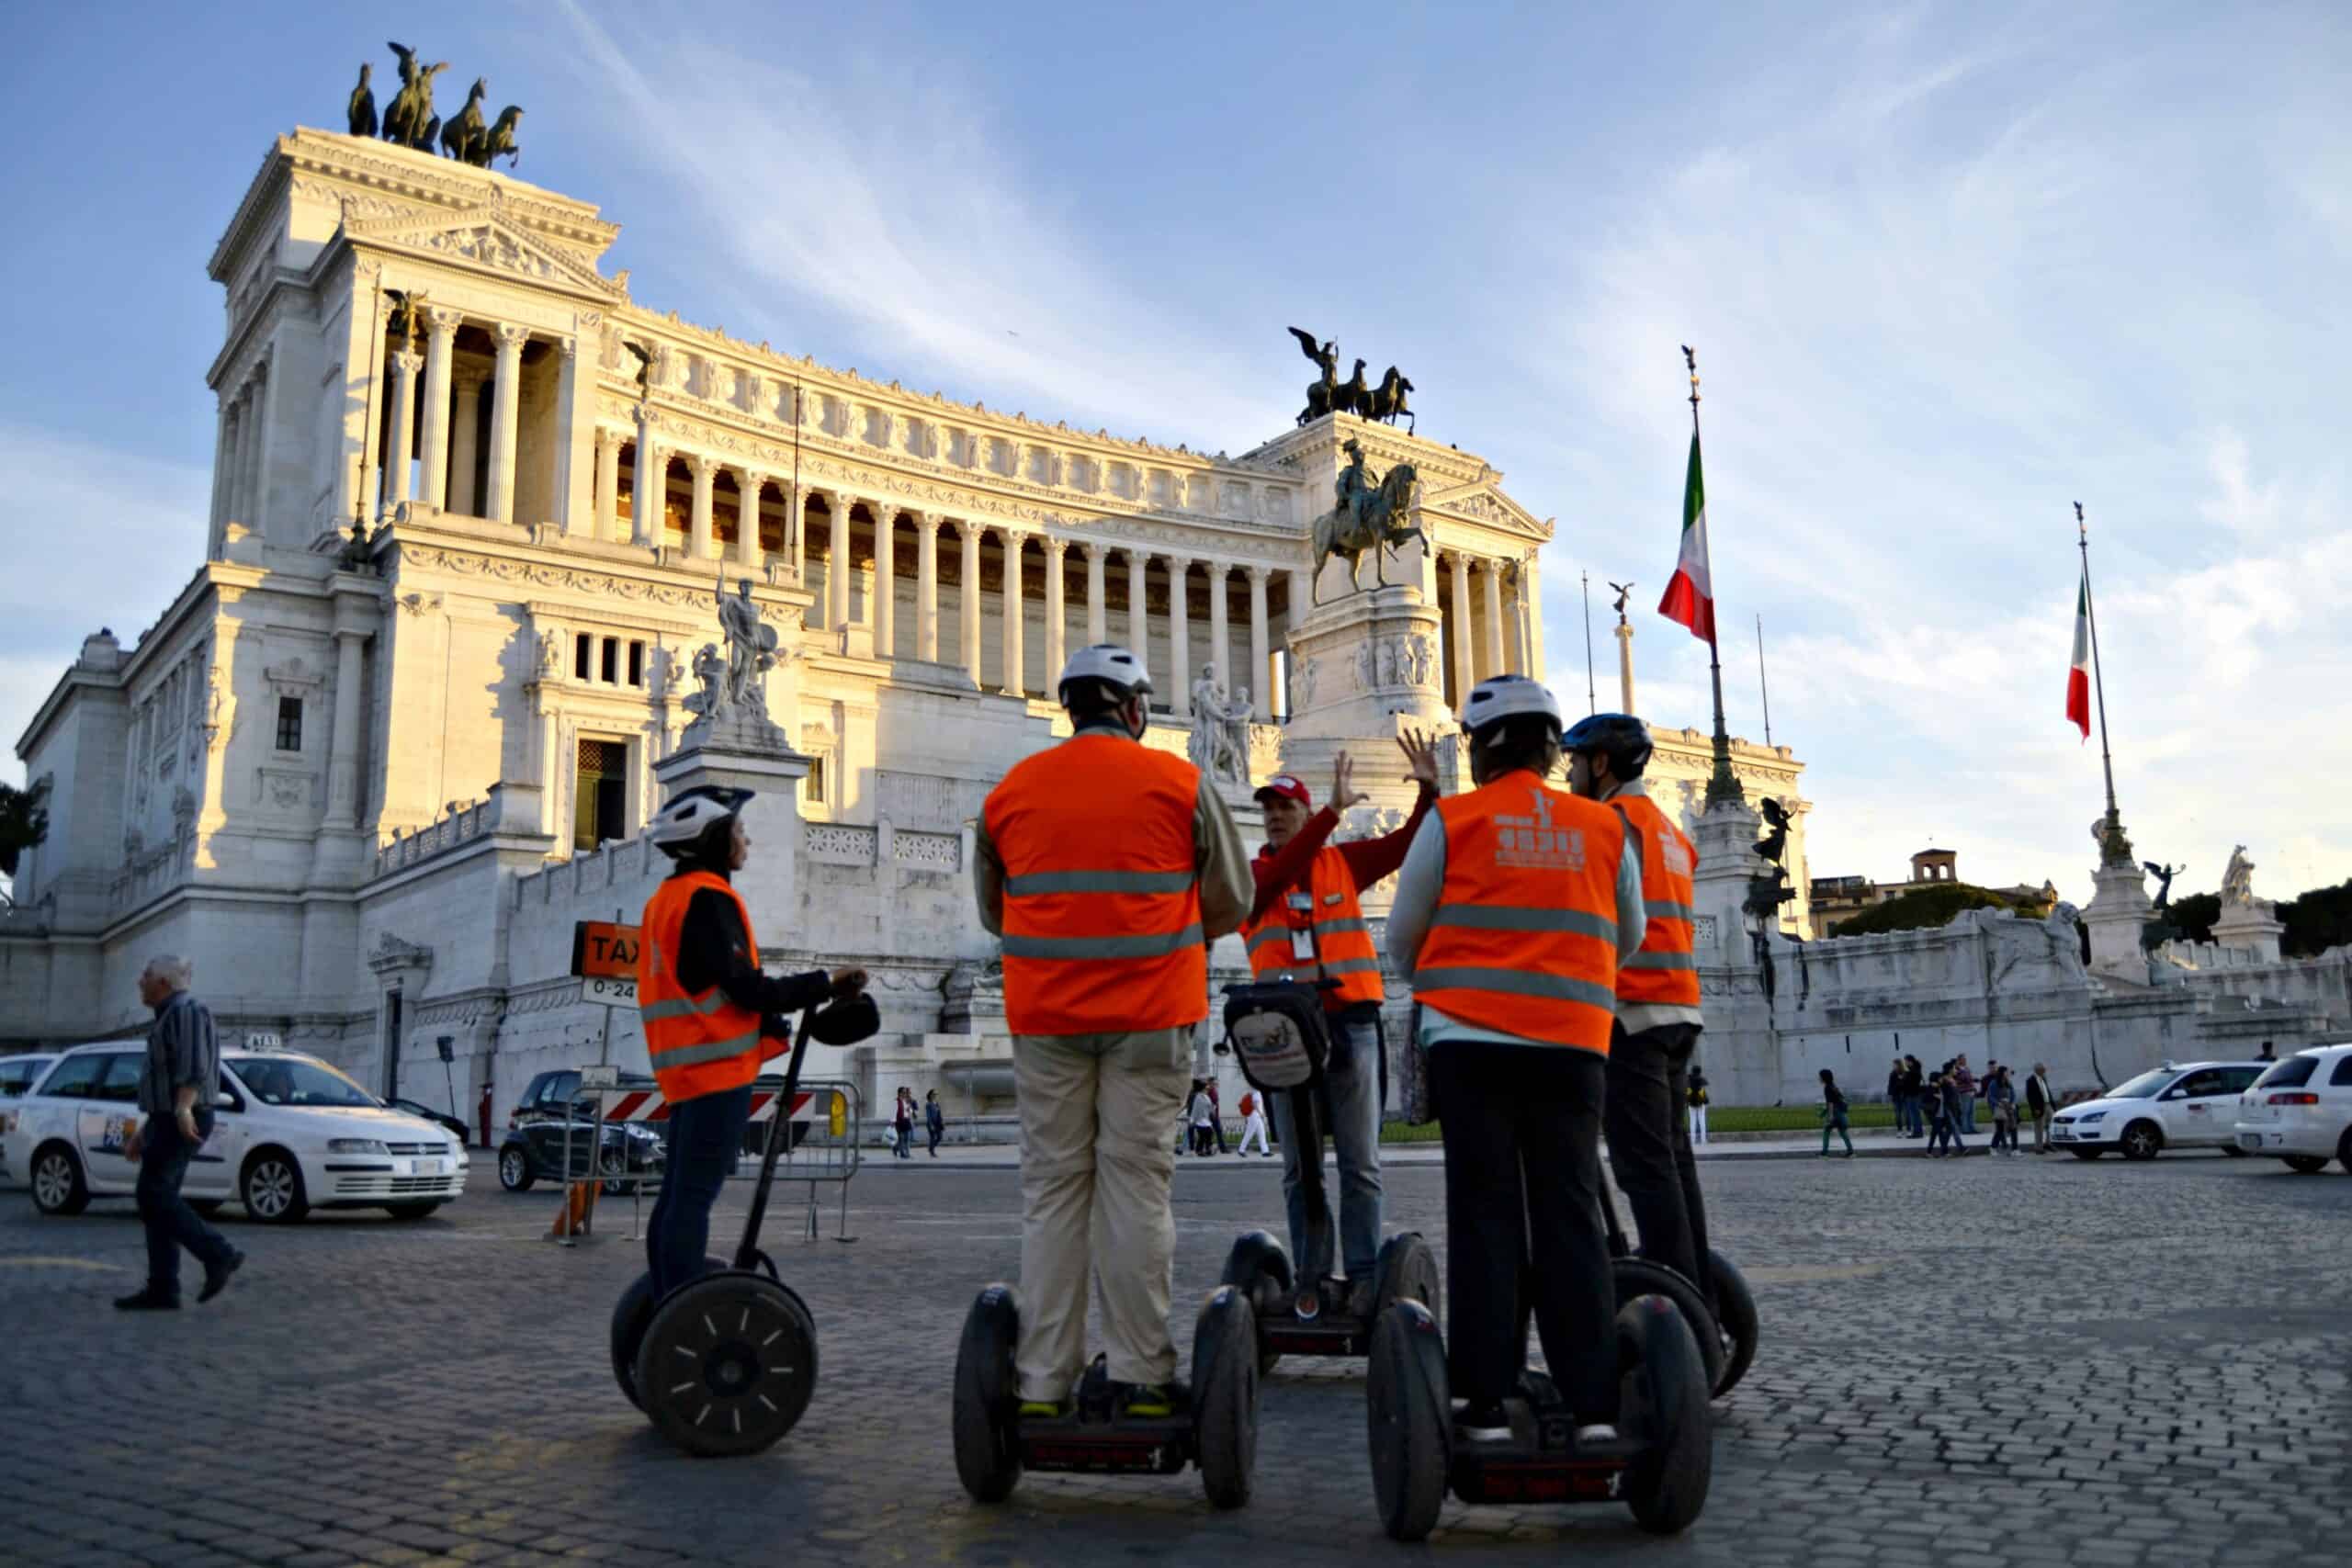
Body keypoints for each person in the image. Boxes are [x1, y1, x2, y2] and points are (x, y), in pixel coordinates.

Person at [974, 644, 1251, 1420]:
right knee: (1136, 1191)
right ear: (1135, 710)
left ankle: (1040, 1382)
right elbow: (1233, 896)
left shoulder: (1010, 794)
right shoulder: (1180, 782)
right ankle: (1140, 1374)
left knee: (1054, 1193)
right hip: (1152, 1016)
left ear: (1070, 710)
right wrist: (1175, 933)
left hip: (1048, 1019)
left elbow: (994, 912)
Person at [1387, 674, 1645, 1447]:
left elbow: (1403, 936)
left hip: (1471, 1046)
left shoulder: (1455, 820)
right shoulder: (1603, 829)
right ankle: (1596, 1405)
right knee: (1570, 1215)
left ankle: (1485, 1402)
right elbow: (1624, 936)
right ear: (1544, 744)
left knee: (1485, 1215)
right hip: (1573, 1045)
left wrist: (1450, 979)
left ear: (1485, 748)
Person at [638, 785, 866, 1302]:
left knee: (676, 1196)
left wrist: (774, 1022)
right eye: (738, 831)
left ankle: (665, 1299)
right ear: (713, 838)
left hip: (685, 1069)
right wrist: (824, 981)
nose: (747, 841)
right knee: (692, 1198)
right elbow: (746, 988)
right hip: (716, 1068)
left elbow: (713, 984)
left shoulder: (665, 901)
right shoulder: (709, 898)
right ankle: (680, 1309)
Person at [1241, 731, 1441, 1320]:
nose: (1276, 818)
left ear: (1301, 812)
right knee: (1300, 1167)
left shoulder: (1341, 863)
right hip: (1282, 1033)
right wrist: (1328, 813)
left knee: (1360, 1163)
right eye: (1270, 810)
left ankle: (1359, 1277)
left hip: (1349, 1022)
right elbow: (1281, 875)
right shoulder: (1254, 875)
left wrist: (1429, 792)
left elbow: (1406, 845)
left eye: (1286, 808)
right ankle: (1309, 1275)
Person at [1563, 712, 1713, 1294]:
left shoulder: (1609, 824)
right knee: (1675, 1161)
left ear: (1601, 764)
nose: (1570, 772)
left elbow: (1593, 917)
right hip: (1679, 1007)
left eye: (1576, 761)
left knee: (1644, 1168)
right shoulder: (1670, 832)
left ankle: (1672, 1290)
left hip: (1632, 1010)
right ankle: (1693, 1277)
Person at [114, 955, 244, 1311]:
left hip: (183, 1116)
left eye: (146, 975)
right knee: (157, 1199)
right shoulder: (169, 1015)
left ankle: (218, 1253)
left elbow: (193, 1066)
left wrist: (183, 1108)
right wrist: (147, 1129)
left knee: (153, 1194)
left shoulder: (186, 1011)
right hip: (168, 1118)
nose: (140, 981)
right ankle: (163, 1288)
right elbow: (167, 1078)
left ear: (164, 983)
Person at [1818, 1068, 1855, 1157]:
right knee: (1842, 1132)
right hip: (1840, 1113)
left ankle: (1824, 1153)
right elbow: (1838, 1099)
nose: (1819, 1078)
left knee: (1827, 1130)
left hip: (1835, 1113)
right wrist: (1823, 1112)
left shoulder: (1827, 1088)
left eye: (1820, 1077)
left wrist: (1830, 1116)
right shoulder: (1833, 1086)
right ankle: (1851, 1152)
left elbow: (1830, 1103)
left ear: (1824, 1078)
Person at [1986, 1066, 2019, 1156]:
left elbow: (2013, 1094)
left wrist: (2013, 1103)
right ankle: (1993, 1147)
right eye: (2006, 1072)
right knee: (2000, 1129)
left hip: (2009, 1106)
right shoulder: (1993, 1083)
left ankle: (2015, 1149)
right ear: (2002, 1073)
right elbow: (1991, 1096)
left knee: (2013, 1128)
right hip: (2000, 1107)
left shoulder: (2009, 1082)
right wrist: (1997, 1103)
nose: (2008, 1073)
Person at [2026, 1062, 2056, 1154]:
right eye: (2043, 1069)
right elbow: (2030, 1096)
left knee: (2051, 1126)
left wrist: (2052, 1104)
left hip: (2048, 1105)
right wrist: (2035, 1109)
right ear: (2037, 1070)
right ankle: (2038, 1148)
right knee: (2039, 1128)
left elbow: (2047, 1091)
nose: (2045, 1070)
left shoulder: (2043, 1078)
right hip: (2039, 1107)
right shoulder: (2030, 1080)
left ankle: (2048, 1143)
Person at [1237, 1089, 1272, 1156]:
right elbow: (1254, 1104)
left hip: (1256, 1116)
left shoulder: (1255, 1092)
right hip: (1254, 1115)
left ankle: (1265, 1151)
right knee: (1249, 1133)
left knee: (1262, 1134)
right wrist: (1260, 1113)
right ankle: (1241, 1150)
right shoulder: (1257, 1093)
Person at [1189, 1081, 1218, 1156]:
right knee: (1202, 1136)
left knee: (1209, 1133)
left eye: (1208, 1089)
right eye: (1206, 1088)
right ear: (1202, 1089)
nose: (1207, 1090)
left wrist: (1213, 1111)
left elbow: (1210, 1106)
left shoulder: (1207, 1097)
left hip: (1206, 1119)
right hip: (1200, 1119)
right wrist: (1192, 1120)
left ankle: (1208, 1149)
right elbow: (1195, 1109)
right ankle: (1199, 1151)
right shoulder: (1198, 1097)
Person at [1952, 1054, 1978, 1134]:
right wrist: (1969, 1079)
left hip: (1971, 1091)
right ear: (1959, 1060)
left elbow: (1970, 1079)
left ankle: (1972, 1128)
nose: (1965, 1060)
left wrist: (1974, 1087)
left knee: (1972, 1111)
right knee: (1965, 1111)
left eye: (1965, 1059)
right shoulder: (1957, 1070)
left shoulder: (1967, 1068)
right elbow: (1961, 1079)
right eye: (1963, 1059)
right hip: (1964, 1092)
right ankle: (1965, 1129)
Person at [1686, 1066, 1710, 1145]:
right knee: (1702, 1121)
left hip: (1691, 1104)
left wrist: (1687, 1100)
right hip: (1700, 1103)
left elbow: (1688, 1092)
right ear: (1700, 1071)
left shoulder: (1688, 1080)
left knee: (1692, 1121)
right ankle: (1703, 1140)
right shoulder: (1701, 1079)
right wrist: (1705, 1100)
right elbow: (1702, 1091)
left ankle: (1693, 1140)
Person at [926, 1089, 945, 1156]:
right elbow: (928, 1116)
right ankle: (932, 1152)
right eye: (934, 1094)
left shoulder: (936, 1103)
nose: (935, 1095)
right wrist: (931, 1124)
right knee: (932, 1137)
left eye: (936, 1094)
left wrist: (942, 1121)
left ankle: (931, 1148)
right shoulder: (928, 1104)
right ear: (930, 1095)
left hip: (938, 1123)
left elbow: (939, 1113)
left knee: (940, 1137)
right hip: (932, 1123)